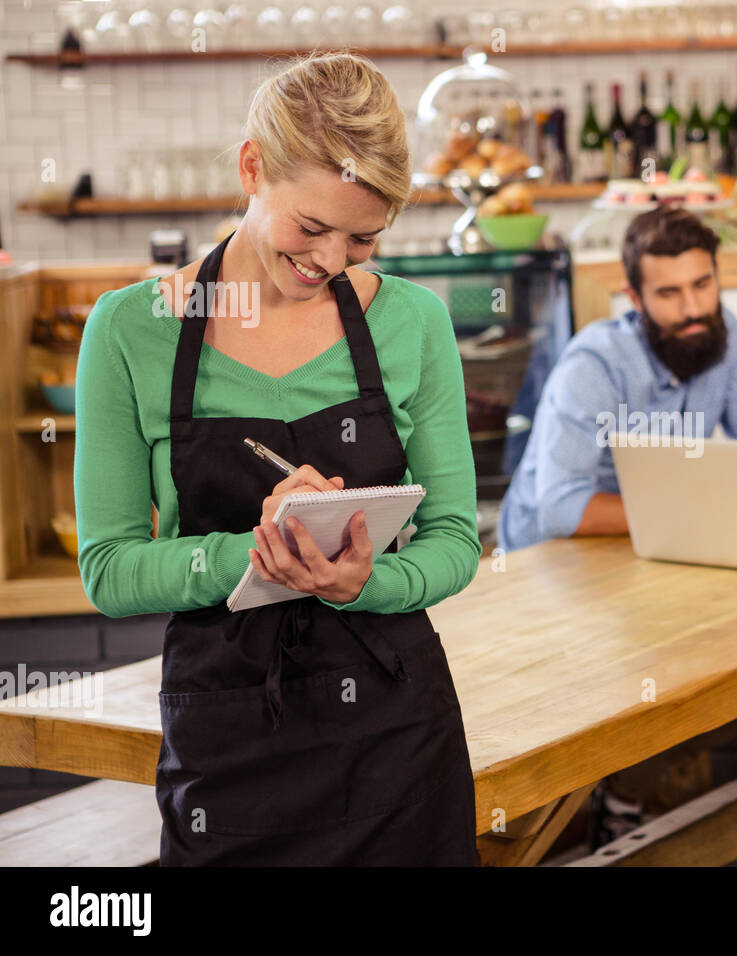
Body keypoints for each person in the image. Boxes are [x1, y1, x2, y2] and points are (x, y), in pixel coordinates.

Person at [74, 53, 481, 865]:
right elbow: (110, 569)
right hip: (228, 749)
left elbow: (455, 541)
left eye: (363, 238)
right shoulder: (128, 332)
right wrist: (252, 557)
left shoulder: (414, 323)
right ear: (252, 166)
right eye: (311, 226)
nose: (332, 260)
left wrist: (369, 581)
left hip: (397, 742)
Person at [497, 205, 737, 552]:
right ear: (635, 299)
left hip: (647, 545)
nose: (692, 310)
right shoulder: (594, 364)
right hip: (544, 559)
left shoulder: (723, 335)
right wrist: (699, 514)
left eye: (702, 284)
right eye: (668, 293)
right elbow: (560, 508)